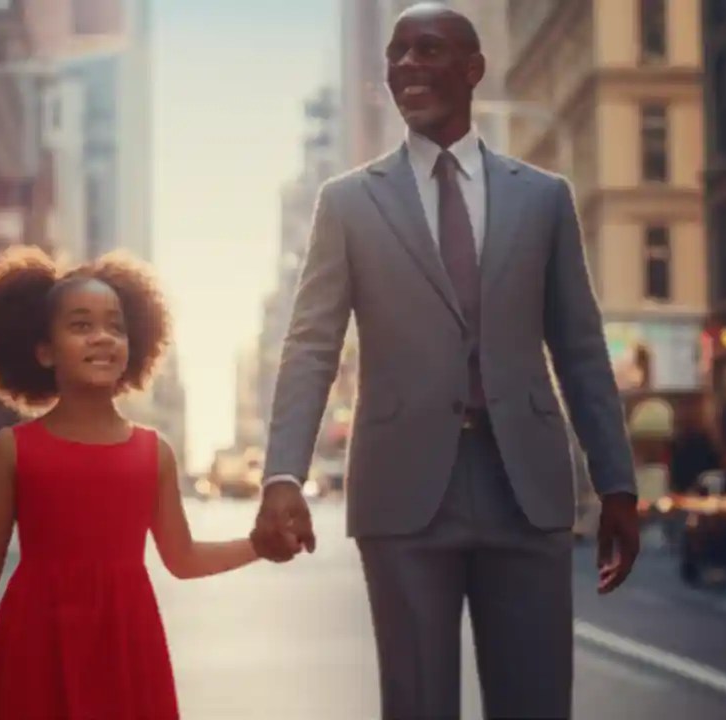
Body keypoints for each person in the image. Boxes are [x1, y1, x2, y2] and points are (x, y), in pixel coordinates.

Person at [252, 4, 639, 718]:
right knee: (418, 704)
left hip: (525, 486)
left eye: (426, 50)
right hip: (402, 491)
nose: (404, 66)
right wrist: (283, 472)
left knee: (535, 702)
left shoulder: (544, 199)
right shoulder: (347, 204)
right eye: (395, 55)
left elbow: (580, 349)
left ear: (473, 70)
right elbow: (311, 344)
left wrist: (616, 481)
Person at [0, 247, 263, 720]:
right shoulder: (12, 448)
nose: (102, 338)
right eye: (81, 325)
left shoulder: (154, 453)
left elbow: (183, 558)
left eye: (116, 326)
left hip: (126, 647)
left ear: (135, 346)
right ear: (44, 350)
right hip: (33, 641)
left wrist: (258, 545)